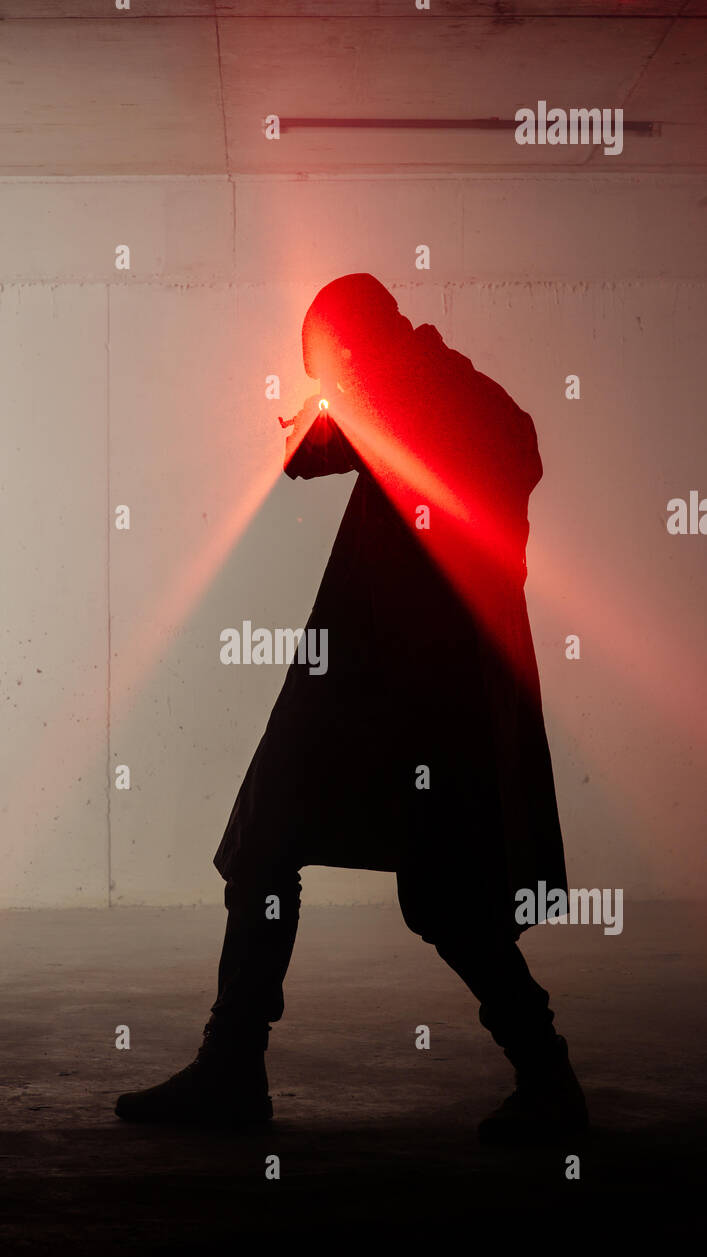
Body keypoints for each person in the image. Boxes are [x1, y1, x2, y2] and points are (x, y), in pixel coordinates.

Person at [116, 273, 587, 1146]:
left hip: (426, 697)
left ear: (356, 343)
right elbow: (304, 457)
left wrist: (348, 395)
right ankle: (233, 1066)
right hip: (368, 688)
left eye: (326, 361)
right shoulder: (392, 395)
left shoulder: (448, 394)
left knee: (439, 898)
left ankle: (547, 1079)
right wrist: (330, 403)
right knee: (273, 849)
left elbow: (491, 449)